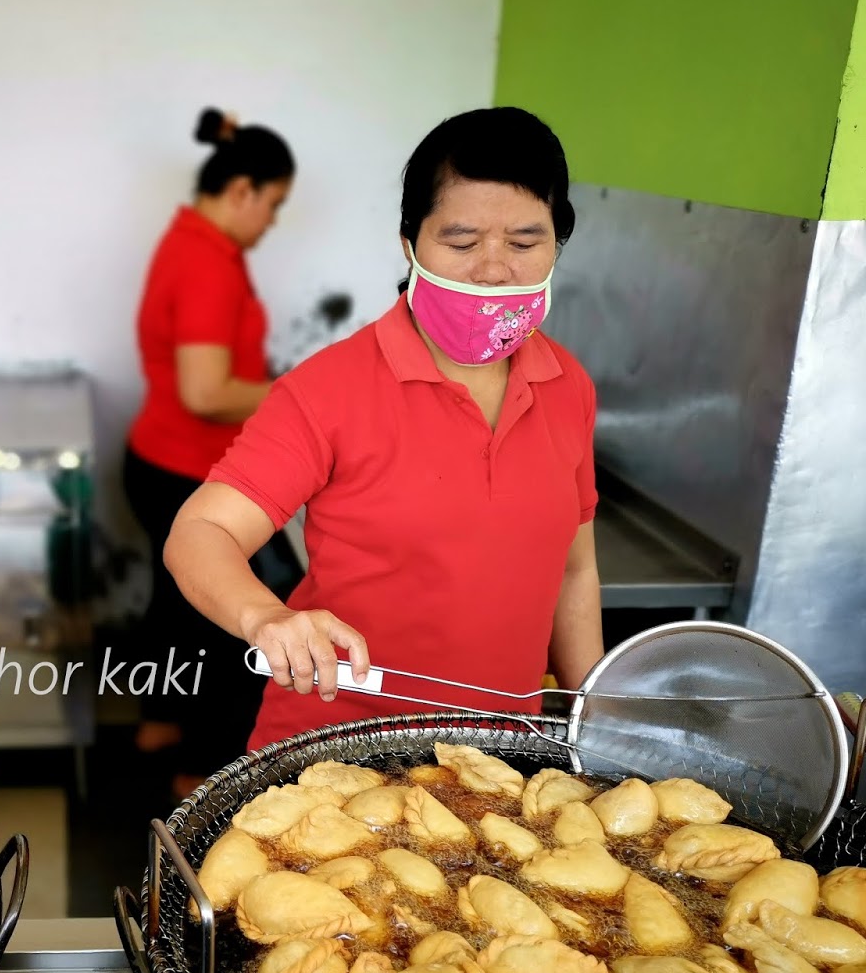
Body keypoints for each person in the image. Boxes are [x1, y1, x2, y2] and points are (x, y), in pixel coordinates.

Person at [165, 107, 603, 752]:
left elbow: (574, 571)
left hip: (501, 761)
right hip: (334, 756)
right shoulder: (329, 388)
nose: (492, 269)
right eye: (461, 243)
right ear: (410, 243)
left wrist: (593, 726)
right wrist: (266, 616)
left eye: (524, 243)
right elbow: (202, 531)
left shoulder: (568, 386)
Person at [123, 107, 301, 799]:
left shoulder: (190, 242)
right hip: (186, 471)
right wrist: (298, 392)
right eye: (274, 204)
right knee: (224, 627)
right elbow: (205, 391)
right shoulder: (206, 263)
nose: (274, 221)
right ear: (242, 190)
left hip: (158, 459)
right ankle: (201, 774)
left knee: (172, 609)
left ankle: (158, 727)